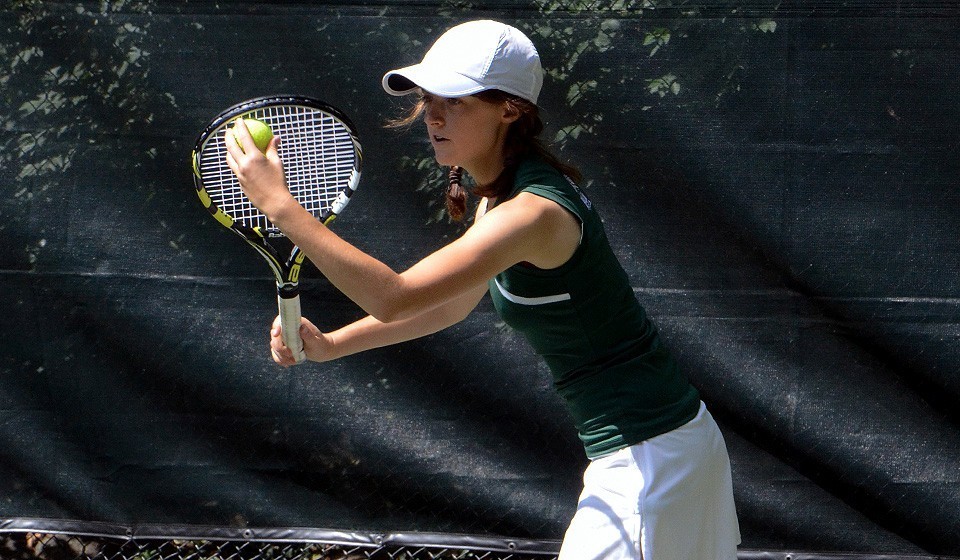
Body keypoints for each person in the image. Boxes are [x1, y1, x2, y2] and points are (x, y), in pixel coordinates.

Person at [226, 19, 740, 560]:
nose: (434, 115)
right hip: (669, 444)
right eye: (429, 99)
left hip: (652, 458)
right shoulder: (502, 199)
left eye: (456, 100)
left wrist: (280, 207)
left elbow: (395, 295)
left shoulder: (531, 213)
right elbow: (447, 306)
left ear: (510, 109)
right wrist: (334, 344)